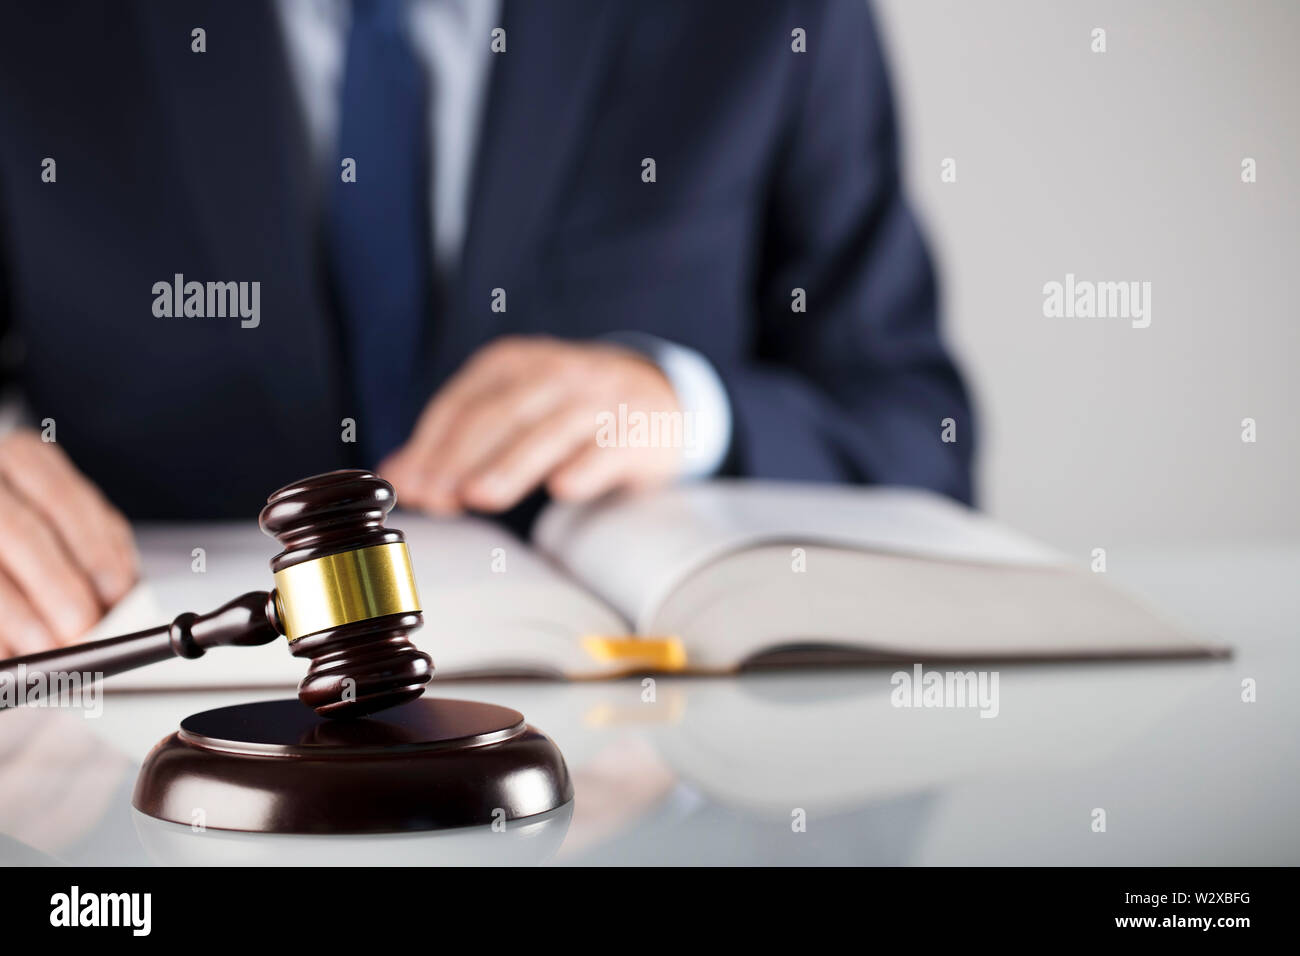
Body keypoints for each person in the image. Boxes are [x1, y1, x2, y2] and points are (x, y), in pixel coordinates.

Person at [0, 0, 973, 655]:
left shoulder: (770, 22)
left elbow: (918, 429)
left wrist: (687, 409)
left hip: (639, 781)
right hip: (131, 776)